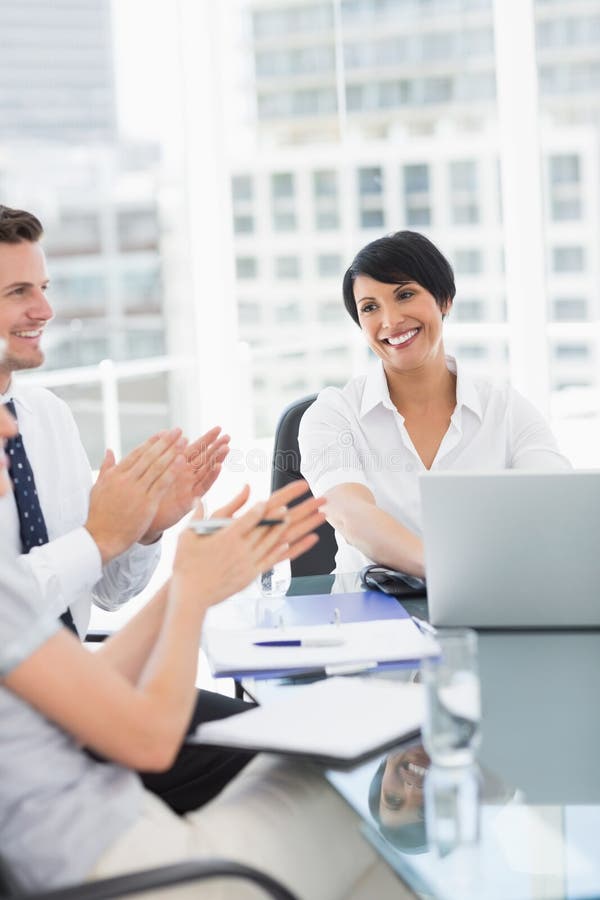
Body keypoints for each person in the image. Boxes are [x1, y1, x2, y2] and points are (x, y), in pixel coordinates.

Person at [0, 397, 403, 899]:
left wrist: (192, 576)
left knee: (340, 782)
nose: (8, 426)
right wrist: (191, 593)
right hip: (130, 868)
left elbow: (69, 700)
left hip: (111, 819)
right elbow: (148, 742)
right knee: (367, 800)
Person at [0, 203, 260, 812]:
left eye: (45, 288)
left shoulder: (49, 419)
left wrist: (146, 529)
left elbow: (109, 593)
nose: (45, 310)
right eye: (18, 292)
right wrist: (96, 536)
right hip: (25, 724)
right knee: (269, 765)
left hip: (92, 681)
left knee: (278, 742)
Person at [299, 230, 571, 576]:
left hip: (489, 606)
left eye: (405, 294)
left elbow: (554, 506)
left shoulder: (507, 410)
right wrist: (452, 573)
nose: (390, 321)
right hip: (371, 615)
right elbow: (351, 515)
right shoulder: (333, 414)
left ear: (444, 300)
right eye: (370, 308)